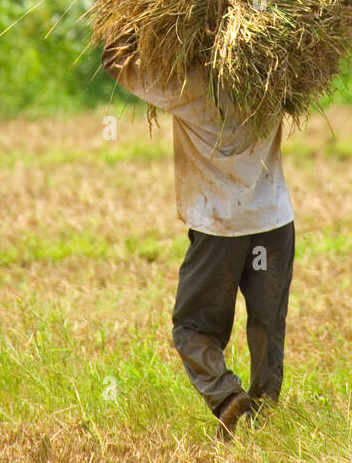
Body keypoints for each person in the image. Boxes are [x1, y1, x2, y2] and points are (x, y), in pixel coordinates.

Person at [102, 33, 295, 440]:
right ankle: (266, 417)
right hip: (273, 222)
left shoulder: (189, 84)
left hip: (218, 228)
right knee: (266, 325)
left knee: (191, 327)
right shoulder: (273, 77)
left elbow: (117, 61)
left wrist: (125, 15)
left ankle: (226, 396)